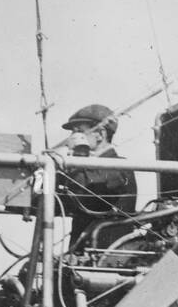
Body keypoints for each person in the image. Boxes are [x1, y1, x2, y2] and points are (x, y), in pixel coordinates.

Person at [55, 104, 138, 248]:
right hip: (82, 257)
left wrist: (72, 159)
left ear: (100, 134)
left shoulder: (119, 168)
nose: (72, 138)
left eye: (79, 132)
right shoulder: (85, 169)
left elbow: (84, 191)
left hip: (107, 258)